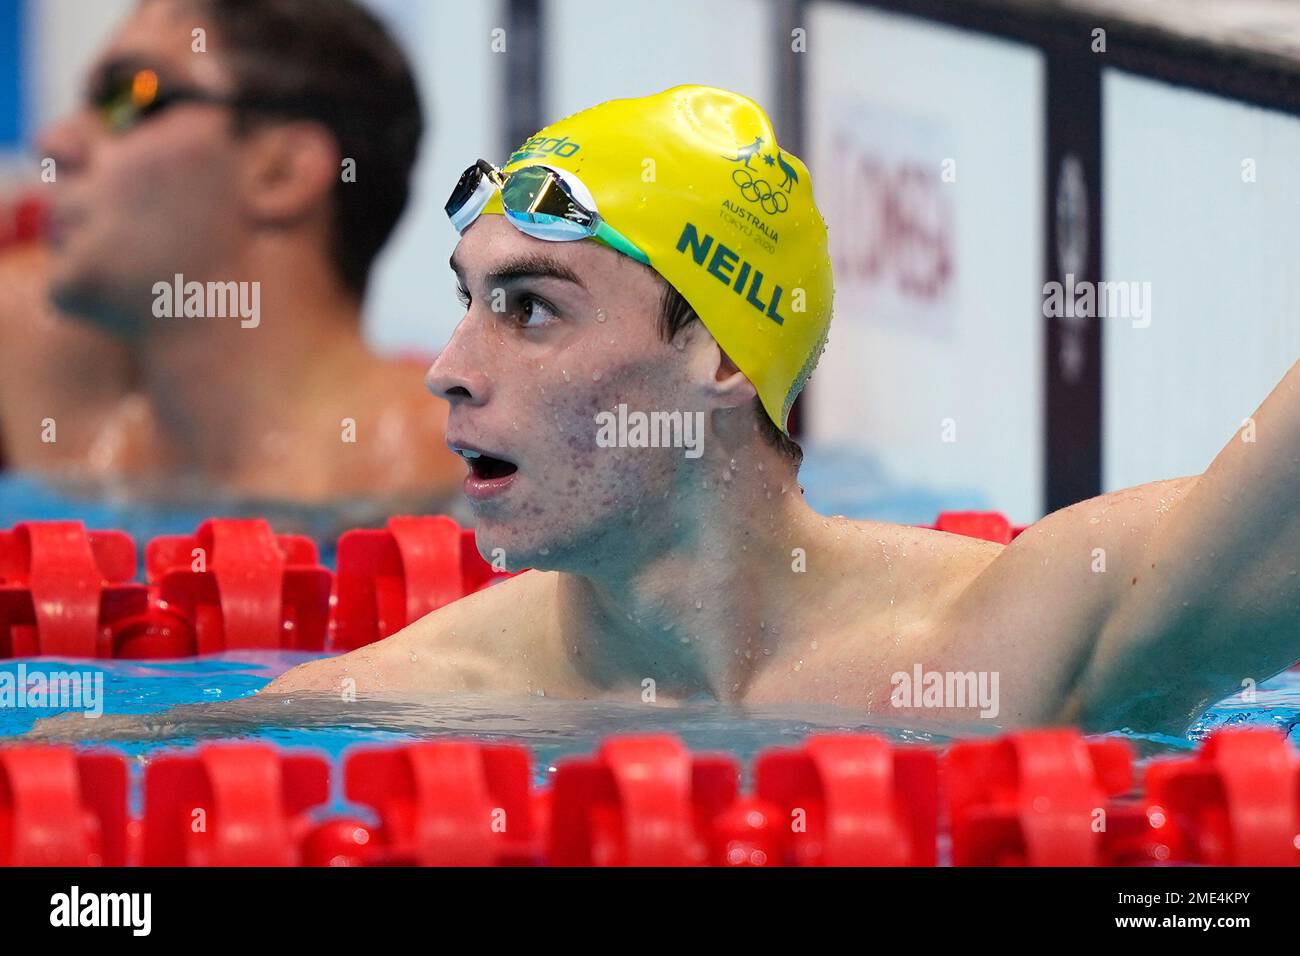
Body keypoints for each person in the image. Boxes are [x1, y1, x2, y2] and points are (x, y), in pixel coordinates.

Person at [258, 84, 1299, 734]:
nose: (446, 367)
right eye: (467, 300)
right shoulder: (412, 702)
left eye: (528, 308)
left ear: (715, 348)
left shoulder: (1012, 640)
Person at [13, 0, 461, 505]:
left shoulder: (460, 462)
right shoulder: (83, 448)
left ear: (281, 171)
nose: (54, 142)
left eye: (128, 96)